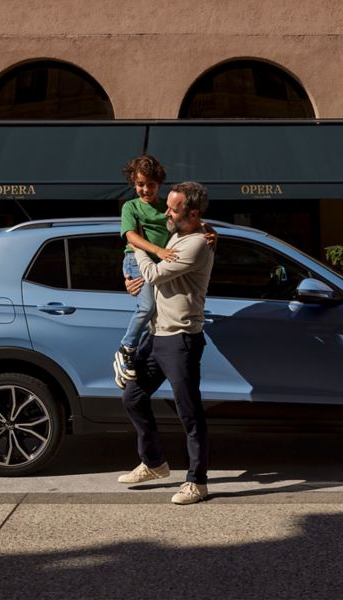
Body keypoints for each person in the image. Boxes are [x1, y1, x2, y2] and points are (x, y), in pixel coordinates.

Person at [117, 182, 215, 505]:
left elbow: (156, 274)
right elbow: (150, 280)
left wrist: (137, 245)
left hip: (181, 339)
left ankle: (197, 482)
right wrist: (134, 279)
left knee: (189, 412)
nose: (167, 213)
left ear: (193, 213)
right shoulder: (179, 233)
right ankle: (154, 462)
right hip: (158, 335)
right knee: (133, 396)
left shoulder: (197, 244)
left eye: (174, 209)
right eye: (169, 207)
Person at [113, 156, 175, 387]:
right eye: (140, 184)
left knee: (158, 314)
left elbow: (189, 222)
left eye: (150, 184)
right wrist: (158, 250)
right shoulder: (131, 206)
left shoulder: (167, 207)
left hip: (160, 265)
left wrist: (210, 232)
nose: (145, 189)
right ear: (133, 183)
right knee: (148, 307)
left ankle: (136, 363)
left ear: (159, 184)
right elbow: (131, 236)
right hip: (136, 261)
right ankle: (126, 348)